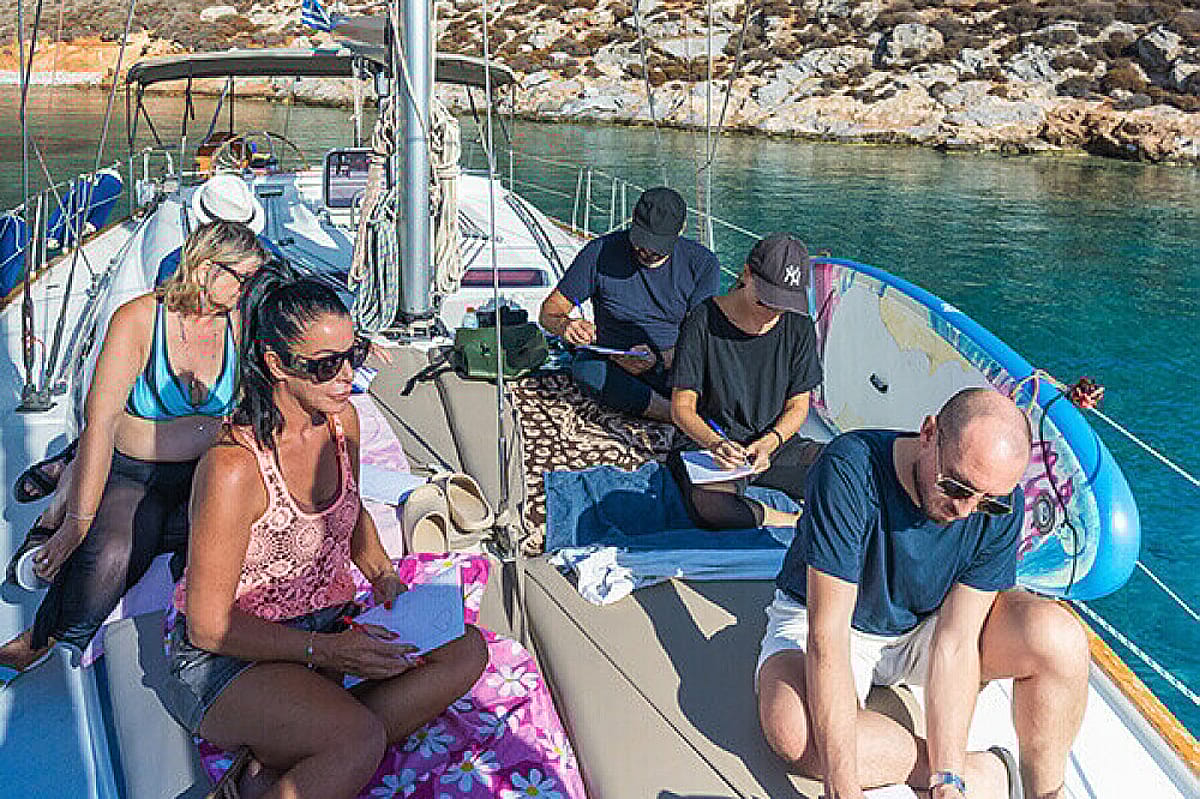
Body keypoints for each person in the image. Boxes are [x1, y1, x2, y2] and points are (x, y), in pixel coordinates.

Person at [161, 274, 488, 798]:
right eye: (325, 364)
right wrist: (330, 653)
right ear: (275, 363)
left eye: (352, 353)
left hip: (327, 626)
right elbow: (207, 628)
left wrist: (381, 572)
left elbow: (351, 510)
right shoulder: (233, 468)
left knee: (466, 649)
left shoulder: (343, 424)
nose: (346, 376)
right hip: (233, 656)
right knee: (358, 741)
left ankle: (290, 749)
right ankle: (309, 747)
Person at [757, 388, 1088, 799]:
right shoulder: (850, 469)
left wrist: (947, 783)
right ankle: (990, 772)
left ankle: (1044, 791)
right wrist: (843, 789)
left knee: (1060, 639)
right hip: (830, 621)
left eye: (989, 502)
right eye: (957, 487)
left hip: (926, 627)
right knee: (794, 731)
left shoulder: (1000, 503)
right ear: (929, 433)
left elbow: (957, 639)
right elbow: (828, 636)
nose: (966, 511)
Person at [0, 221, 270, 671]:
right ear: (205, 269)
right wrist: (77, 522)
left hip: (204, 474)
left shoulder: (239, 324)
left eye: (253, 278)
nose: (248, 288)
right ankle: (44, 637)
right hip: (134, 470)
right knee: (112, 554)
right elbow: (101, 423)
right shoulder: (141, 319)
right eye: (242, 277)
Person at [668, 233, 824, 530]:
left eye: (783, 305)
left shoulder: (798, 325)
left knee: (841, 467)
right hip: (710, 443)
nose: (772, 314)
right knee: (710, 505)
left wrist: (769, 442)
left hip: (773, 443)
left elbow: (798, 404)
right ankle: (791, 521)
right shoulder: (702, 320)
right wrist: (716, 443)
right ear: (747, 273)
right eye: (766, 302)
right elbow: (682, 406)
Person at [539, 186, 720, 421]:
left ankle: (671, 408)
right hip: (613, 359)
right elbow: (549, 311)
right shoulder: (599, 252)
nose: (647, 250)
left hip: (674, 361)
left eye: (658, 244)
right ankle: (677, 415)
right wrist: (566, 326)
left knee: (718, 372)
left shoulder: (703, 264)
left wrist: (660, 359)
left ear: (681, 230)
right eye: (641, 240)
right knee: (586, 369)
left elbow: (702, 339)